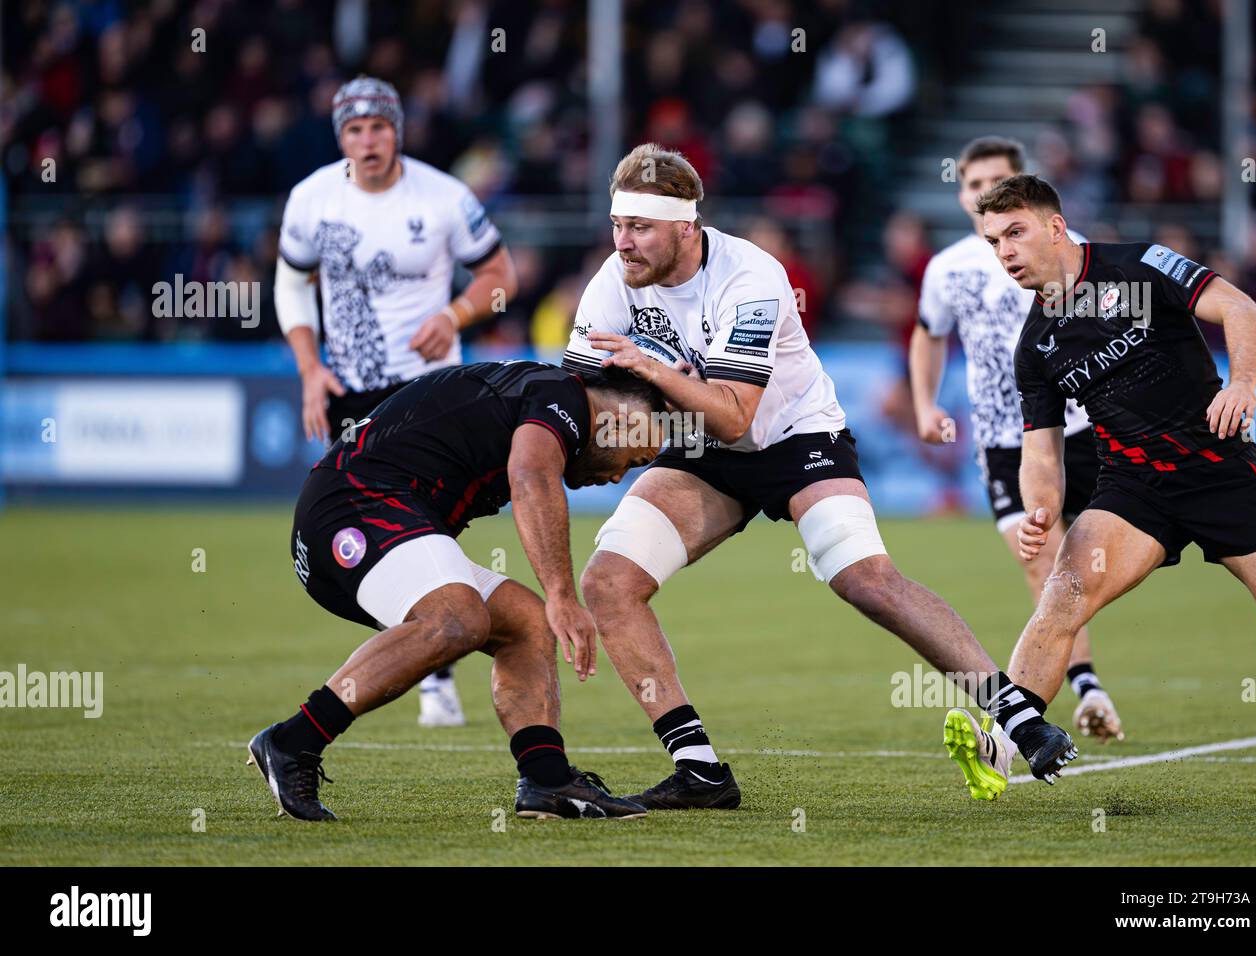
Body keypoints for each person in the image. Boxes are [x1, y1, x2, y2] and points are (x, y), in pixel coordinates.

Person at [563, 143, 1078, 810]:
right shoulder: (613, 280)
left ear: (685, 229)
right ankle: (700, 771)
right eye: (617, 224)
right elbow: (580, 398)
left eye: (640, 228)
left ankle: (1017, 716)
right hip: (696, 446)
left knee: (864, 577)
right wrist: (603, 438)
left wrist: (653, 373)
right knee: (608, 582)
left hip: (794, 436)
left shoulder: (750, 276)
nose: (623, 242)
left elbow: (734, 414)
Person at [946, 173, 1256, 792]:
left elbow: (1243, 309)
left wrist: (1242, 383)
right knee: (1063, 595)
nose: (1004, 251)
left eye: (1015, 232)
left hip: (1219, 471)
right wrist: (1041, 509)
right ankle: (1000, 749)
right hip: (1135, 488)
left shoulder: (1139, 265)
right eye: (993, 240)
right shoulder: (1035, 345)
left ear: (1055, 227)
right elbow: (1043, 454)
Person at [248, 359, 669, 821]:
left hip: (373, 514)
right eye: (636, 459)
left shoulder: (543, 392)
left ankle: (546, 780)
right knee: (457, 619)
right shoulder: (563, 396)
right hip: (353, 508)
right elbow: (531, 478)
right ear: (622, 418)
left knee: (527, 624)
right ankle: (293, 742)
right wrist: (563, 596)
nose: (618, 476)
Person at [275, 75, 519, 726]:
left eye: (378, 127)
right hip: (350, 389)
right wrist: (307, 366)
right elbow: (291, 282)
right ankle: (431, 661)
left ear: (398, 129)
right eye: (354, 130)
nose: (368, 141)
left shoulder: (443, 197)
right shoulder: (312, 199)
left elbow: (502, 277)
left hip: (428, 393)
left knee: (431, 526)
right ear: (341, 138)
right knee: (383, 539)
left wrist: (458, 313)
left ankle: (436, 662)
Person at [909, 136, 1122, 742]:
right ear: (962, 192)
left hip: (1085, 427)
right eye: (974, 185)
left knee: (1107, 561)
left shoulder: (1066, 248)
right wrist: (925, 402)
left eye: (996, 183)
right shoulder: (947, 268)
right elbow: (928, 333)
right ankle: (1087, 688)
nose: (984, 195)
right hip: (1006, 440)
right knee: (1043, 560)